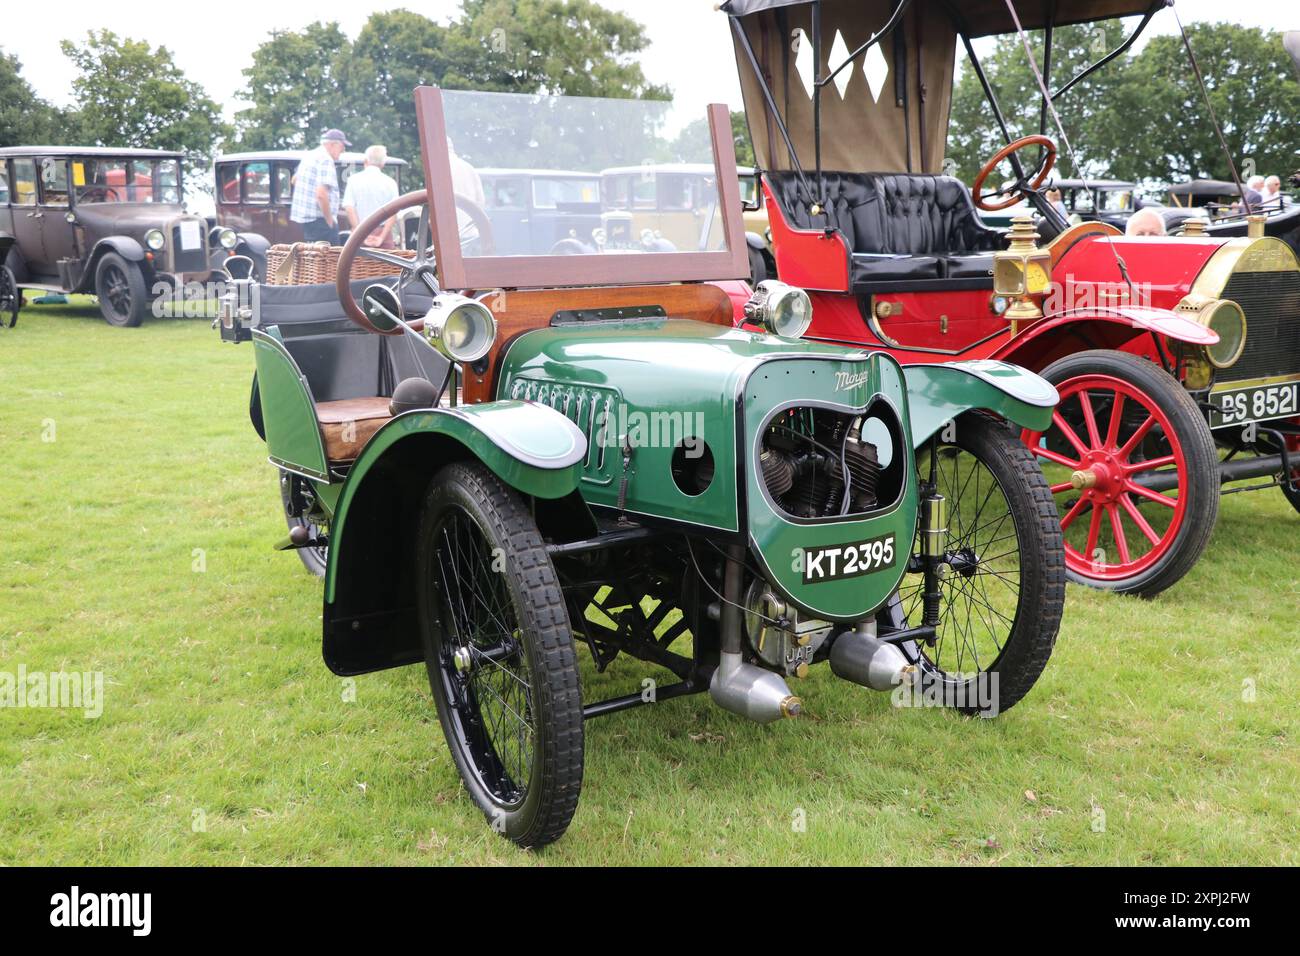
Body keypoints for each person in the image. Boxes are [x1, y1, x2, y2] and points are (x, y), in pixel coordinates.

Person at [290, 128, 350, 244]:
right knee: (331, 260)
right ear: (333, 144)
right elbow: (321, 194)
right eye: (342, 147)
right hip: (321, 220)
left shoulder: (310, 156)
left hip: (308, 220)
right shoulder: (325, 160)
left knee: (315, 258)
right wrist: (330, 221)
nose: (343, 151)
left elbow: (294, 180)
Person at [342, 145, 400, 248]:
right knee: (385, 264)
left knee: (357, 264)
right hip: (383, 233)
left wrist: (359, 233)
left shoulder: (353, 180)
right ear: (383, 163)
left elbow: (349, 208)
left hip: (359, 231)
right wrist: (382, 237)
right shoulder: (390, 183)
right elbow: (393, 212)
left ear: (366, 160)